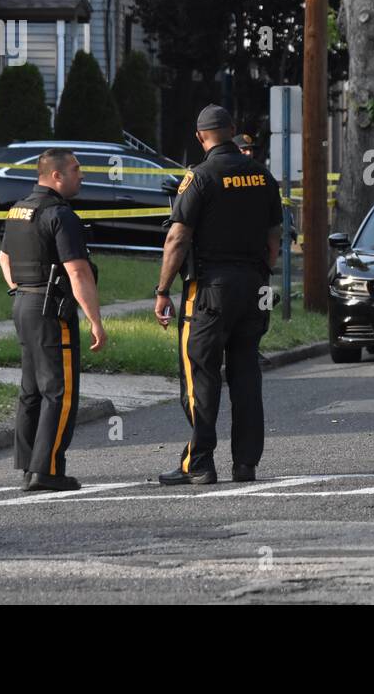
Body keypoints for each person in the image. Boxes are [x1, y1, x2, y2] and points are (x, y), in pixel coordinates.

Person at [153, 105, 283, 484]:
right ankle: (245, 464)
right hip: (254, 286)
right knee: (246, 375)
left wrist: (162, 289)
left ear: (200, 137)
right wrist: (261, 270)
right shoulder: (263, 176)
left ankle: (200, 462)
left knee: (200, 374)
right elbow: (274, 236)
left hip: (210, 290)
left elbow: (178, 238)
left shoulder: (199, 177)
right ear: (232, 130)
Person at [0, 148, 106, 492]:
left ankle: (31, 466)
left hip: (24, 304)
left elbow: (3, 258)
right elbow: (77, 270)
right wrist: (95, 320)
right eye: (76, 169)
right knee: (60, 391)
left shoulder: (19, 210)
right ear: (56, 175)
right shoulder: (61, 214)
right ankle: (48, 470)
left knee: (31, 390)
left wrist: (22, 291)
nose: (82, 175)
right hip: (50, 309)